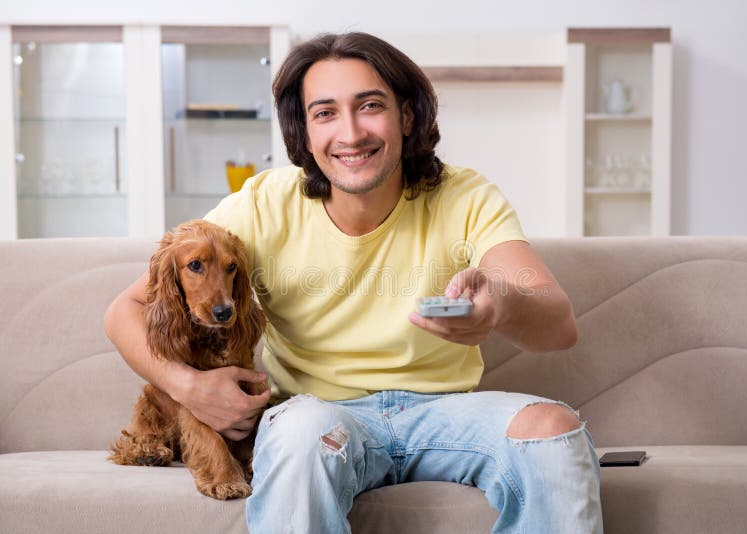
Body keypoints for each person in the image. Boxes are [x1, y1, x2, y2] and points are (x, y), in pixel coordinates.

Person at [105, 32, 602, 533]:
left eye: (369, 106)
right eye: (325, 113)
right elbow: (124, 311)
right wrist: (188, 387)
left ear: (406, 116)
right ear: (304, 132)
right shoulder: (261, 205)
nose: (351, 132)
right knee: (300, 436)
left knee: (554, 432)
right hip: (316, 415)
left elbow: (558, 322)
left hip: (446, 412)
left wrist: (501, 305)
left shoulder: (466, 196)